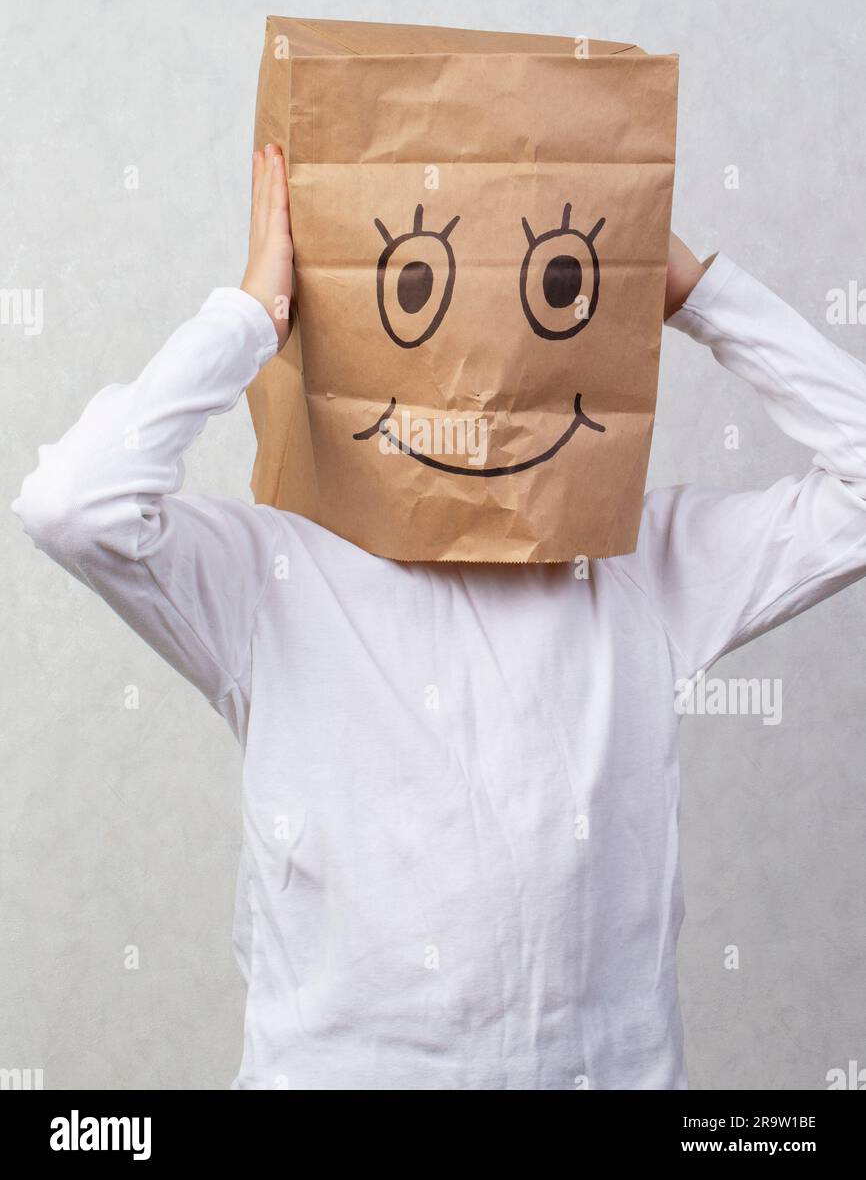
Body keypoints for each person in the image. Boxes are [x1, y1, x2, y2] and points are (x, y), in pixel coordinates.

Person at [12, 144, 866, 1091]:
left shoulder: (639, 565)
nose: (473, 375)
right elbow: (72, 503)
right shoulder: (274, 571)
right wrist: (252, 311)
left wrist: (693, 290)